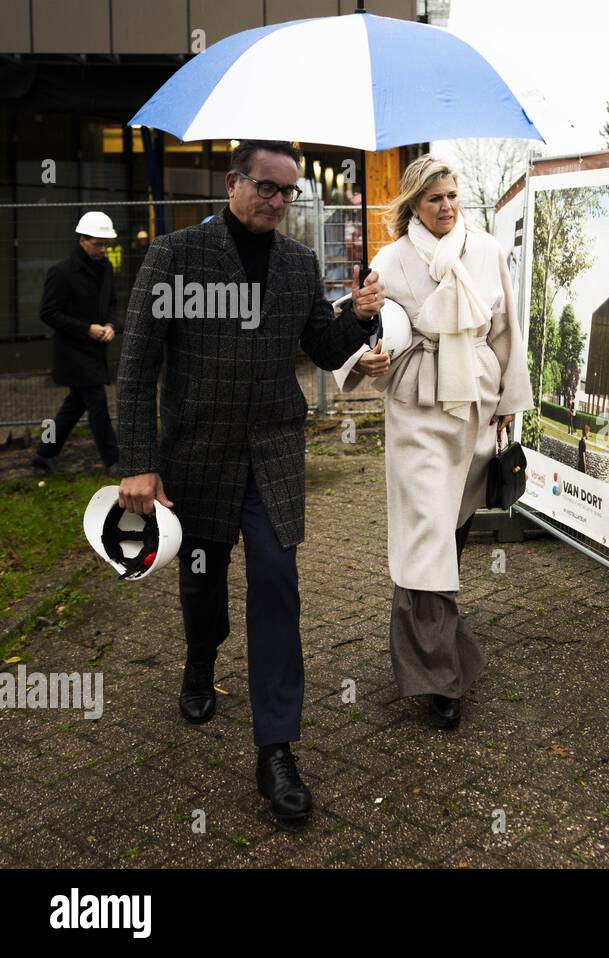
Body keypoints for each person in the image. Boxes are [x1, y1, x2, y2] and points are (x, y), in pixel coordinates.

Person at [115, 141, 385, 822]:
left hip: (273, 458)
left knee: (276, 585)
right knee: (202, 582)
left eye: (289, 192)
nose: (279, 201)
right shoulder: (176, 257)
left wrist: (358, 315)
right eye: (268, 188)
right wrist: (139, 463)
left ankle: (276, 750)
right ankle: (201, 657)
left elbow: (321, 349)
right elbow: (137, 364)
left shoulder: (298, 264)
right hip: (197, 456)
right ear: (234, 183)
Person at [343, 154, 531, 734]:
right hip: (417, 406)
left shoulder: (489, 252)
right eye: (434, 199)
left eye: (452, 196)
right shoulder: (389, 261)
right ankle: (439, 678)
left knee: (451, 531)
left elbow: (505, 334)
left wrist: (506, 409)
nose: (447, 206)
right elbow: (373, 337)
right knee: (427, 532)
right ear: (413, 206)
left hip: (475, 404)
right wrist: (365, 339)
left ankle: (440, 647)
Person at [32, 212, 121, 475]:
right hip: (73, 353)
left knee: (73, 408)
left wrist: (110, 325)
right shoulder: (61, 272)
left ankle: (43, 455)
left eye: (107, 244)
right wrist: (87, 329)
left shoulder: (105, 267)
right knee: (98, 407)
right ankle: (113, 461)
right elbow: (48, 312)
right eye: (98, 243)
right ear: (82, 240)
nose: (104, 249)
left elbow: (112, 302)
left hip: (94, 350)